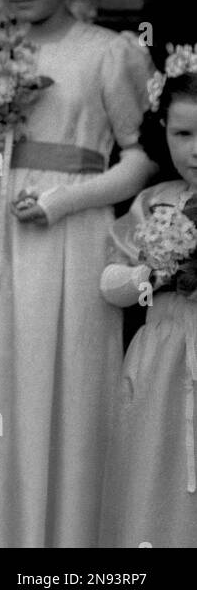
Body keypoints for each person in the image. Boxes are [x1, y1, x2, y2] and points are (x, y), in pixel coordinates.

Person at [0, 0, 155, 548]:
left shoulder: (109, 53)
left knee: (64, 380)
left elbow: (140, 160)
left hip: (72, 231)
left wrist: (64, 202)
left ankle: (67, 543)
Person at [98, 47, 197, 548]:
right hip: (162, 356)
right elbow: (111, 286)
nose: (196, 149)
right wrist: (153, 272)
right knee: (155, 473)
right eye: (183, 134)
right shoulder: (153, 202)